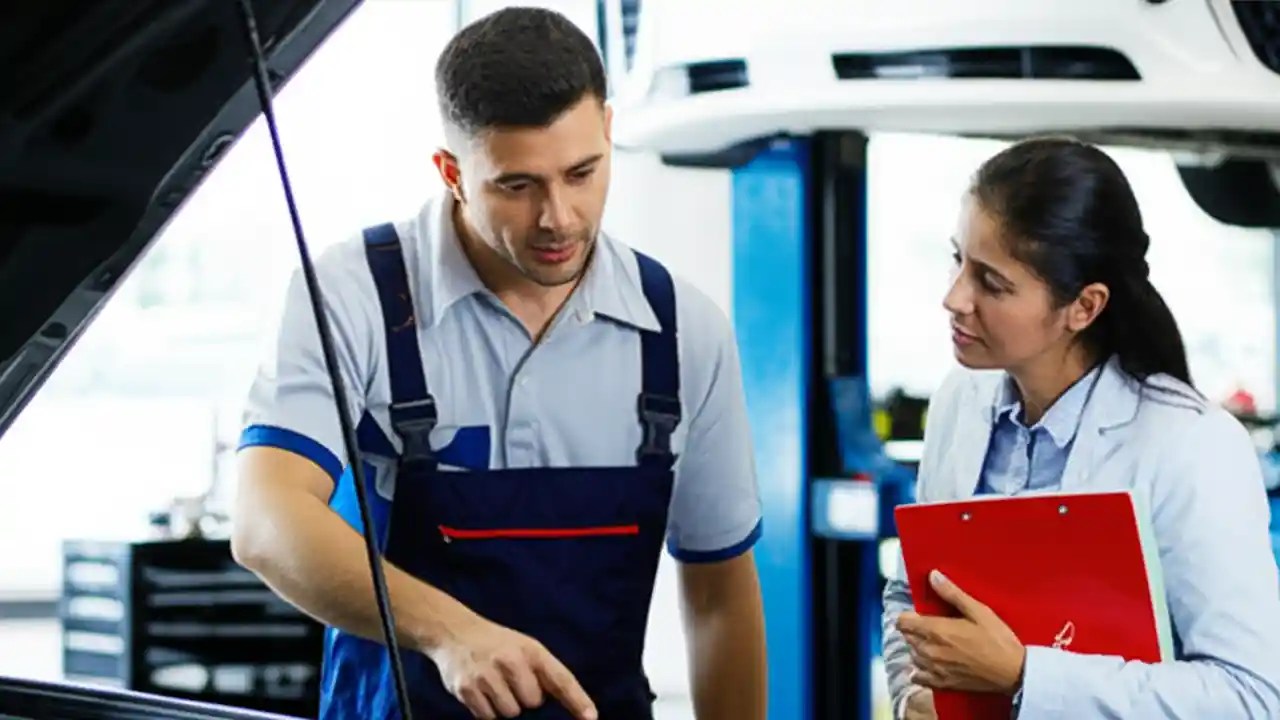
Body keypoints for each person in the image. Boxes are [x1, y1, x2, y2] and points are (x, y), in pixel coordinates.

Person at [230, 7, 766, 720]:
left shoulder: (680, 330)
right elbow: (265, 519)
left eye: (582, 173)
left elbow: (719, 591)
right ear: (451, 171)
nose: (560, 218)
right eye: (517, 186)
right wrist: (451, 634)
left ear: (608, 131)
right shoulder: (354, 295)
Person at [880, 137, 1280, 719]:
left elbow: (1253, 697)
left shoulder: (1191, 445)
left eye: (992, 283)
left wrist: (1024, 677)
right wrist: (912, 697)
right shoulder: (960, 402)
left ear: (1084, 307)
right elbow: (909, 596)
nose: (954, 298)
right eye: (957, 260)